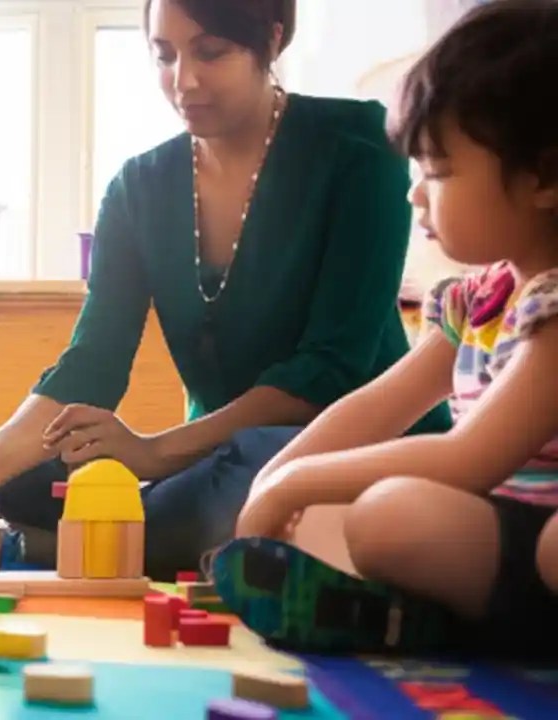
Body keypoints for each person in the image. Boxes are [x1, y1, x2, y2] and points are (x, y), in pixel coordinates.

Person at [0, 0, 449, 579]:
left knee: (253, 475)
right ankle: (113, 533)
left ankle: (41, 549)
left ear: (272, 39)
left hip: (336, 448)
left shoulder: (359, 146)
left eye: (210, 52)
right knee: (30, 483)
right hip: (205, 454)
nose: (183, 80)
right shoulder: (139, 188)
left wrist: (155, 451)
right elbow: (95, 360)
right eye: (164, 56)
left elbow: (331, 367)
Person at [218, 0, 558, 660]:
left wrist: (294, 485)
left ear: (544, 176)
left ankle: (461, 627)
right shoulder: (478, 301)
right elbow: (374, 408)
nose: (415, 195)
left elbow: (469, 458)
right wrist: (277, 477)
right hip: (501, 540)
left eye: (439, 171)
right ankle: (440, 623)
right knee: (367, 516)